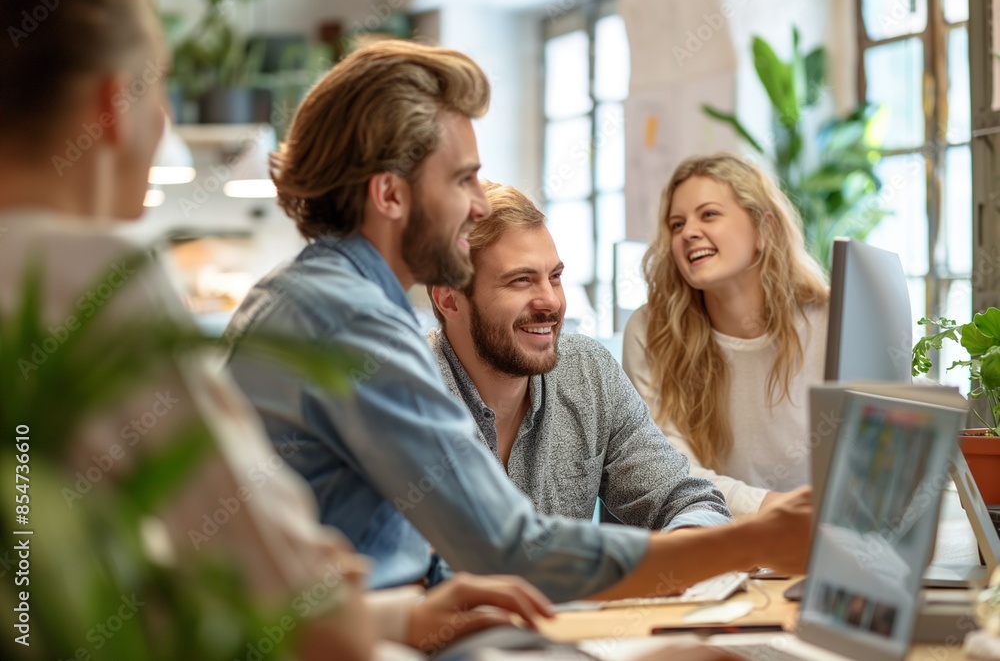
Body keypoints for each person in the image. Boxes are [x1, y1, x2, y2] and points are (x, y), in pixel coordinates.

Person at [0, 0, 555, 660]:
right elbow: (291, 597)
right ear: (114, 105)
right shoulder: (90, 277)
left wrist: (398, 616)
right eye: (160, 90)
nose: (166, 123)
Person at [223, 39, 813, 607]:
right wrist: (751, 539)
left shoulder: (314, 297)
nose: (477, 201)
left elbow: (405, 563)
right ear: (389, 195)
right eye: (461, 179)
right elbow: (508, 547)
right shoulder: (353, 322)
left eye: (553, 276)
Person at [426, 180, 731, 530]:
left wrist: (688, 544)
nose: (552, 302)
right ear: (449, 299)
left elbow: (687, 499)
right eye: (521, 280)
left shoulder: (587, 371)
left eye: (554, 277)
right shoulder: (402, 394)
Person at [623, 152, 829, 518]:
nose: (688, 232)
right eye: (676, 224)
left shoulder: (829, 319)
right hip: (716, 543)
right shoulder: (650, 331)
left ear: (764, 229)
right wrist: (774, 509)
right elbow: (670, 470)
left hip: (829, 538)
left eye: (709, 214)